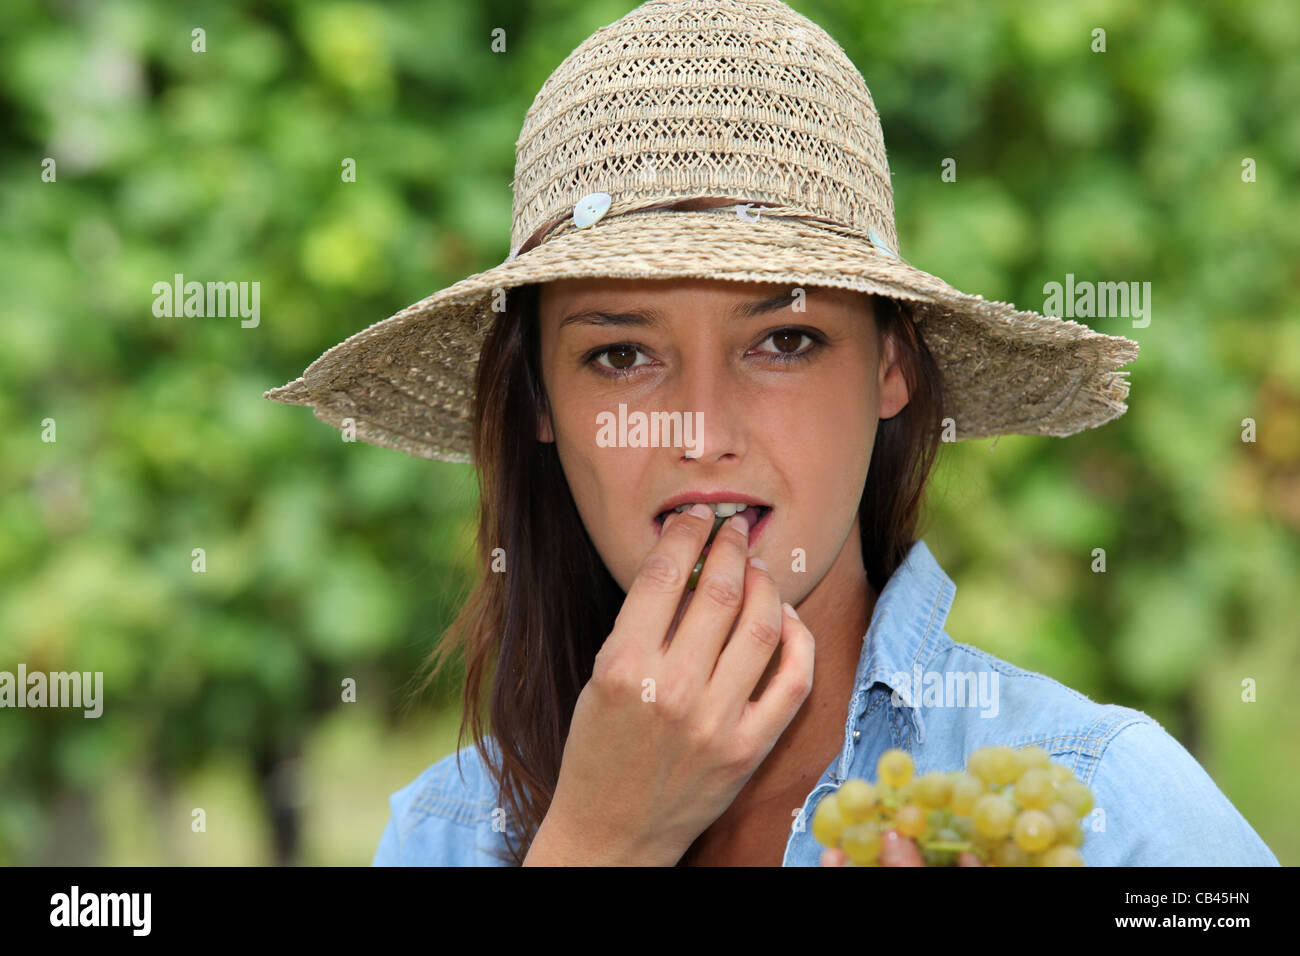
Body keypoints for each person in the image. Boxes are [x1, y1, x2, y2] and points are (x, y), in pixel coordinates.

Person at [264, 0, 1279, 866]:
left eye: (784, 338)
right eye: (620, 355)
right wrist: (594, 840)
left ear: (892, 367)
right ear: (539, 400)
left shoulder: (1104, 805)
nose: (702, 432)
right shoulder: (443, 833)